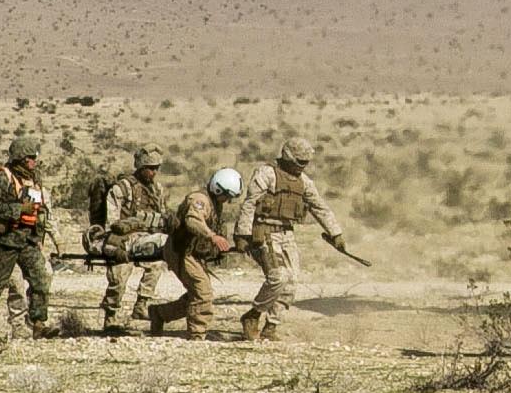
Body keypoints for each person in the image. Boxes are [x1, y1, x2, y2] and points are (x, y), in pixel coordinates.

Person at [237, 139, 350, 343]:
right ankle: (252, 316)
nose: (303, 166)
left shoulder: (304, 182)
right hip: (265, 232)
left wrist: (336, 234)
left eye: (306, 162)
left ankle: (271, 326)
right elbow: (250, 204)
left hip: (287, 234)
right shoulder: (266, 174)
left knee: (292, 282)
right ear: (289, 157)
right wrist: (242, 235)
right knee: (278, 277)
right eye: (300, 161)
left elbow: (319, 207)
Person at [0, 139, 58, 339]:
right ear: (20, 159)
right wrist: (19, 209)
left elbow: (39, 211)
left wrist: (40, 234)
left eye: (34, 158)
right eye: (30, 158)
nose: (34, 162)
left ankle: (39, 324)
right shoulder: (1, 178)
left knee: (40, 279)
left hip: (27, 240)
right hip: (3, 242)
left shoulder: (33, 179)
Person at [149, 166, 243, 340]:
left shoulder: (214, 204)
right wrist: (212, 236)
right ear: (217, 189)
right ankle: (197, 335)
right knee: (202, 293)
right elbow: (192, 221)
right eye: (227, 196)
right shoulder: (199, 200)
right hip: (182, 251)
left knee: (197, 293)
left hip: (192, 253)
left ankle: (160, 314)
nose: (227, 201)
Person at [94, 149, 173, 337]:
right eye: (150, 168)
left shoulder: (157, 190)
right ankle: (111, 317)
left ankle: (141, 305)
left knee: (156, 265)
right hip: (123, 239)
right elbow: (111, 222)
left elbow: (162, 215)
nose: (154, 172)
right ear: (141, 167)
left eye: (156, 168)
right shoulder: (121, 189)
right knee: (119, 276)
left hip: (146, 238)